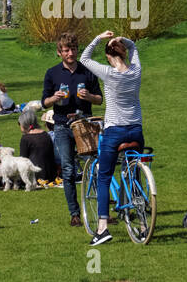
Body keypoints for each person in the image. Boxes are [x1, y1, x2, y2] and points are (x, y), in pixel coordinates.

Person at [80, 30, 142, 245]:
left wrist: (98, 37)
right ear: (123, 53)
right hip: (136, 129)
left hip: (115, 130)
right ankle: (142, 224)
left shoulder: (108, 73)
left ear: (108, 56)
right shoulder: (136, 71)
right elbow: (134, 47)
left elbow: (84, 58)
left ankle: (103, 228)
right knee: (133, 173)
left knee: (104, 176)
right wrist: (122, 40)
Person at [43, 31, 104, 225]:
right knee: (68, 170)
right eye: (66, 50)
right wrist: (55, 98)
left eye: (74, 49)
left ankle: (102, 212)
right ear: (59, 52)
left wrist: (89, 97)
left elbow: (100, 99)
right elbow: (44, 102)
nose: (71, 53)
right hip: (61, 125)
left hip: (85, 123)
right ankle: (75, 214)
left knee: (94, 167)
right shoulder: (52, 73)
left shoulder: (87, 71)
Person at [19, 107, 59, 186]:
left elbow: (23, 159)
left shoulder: (25, 138)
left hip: (36, 174)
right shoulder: (45, 134)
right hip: (51, 174)